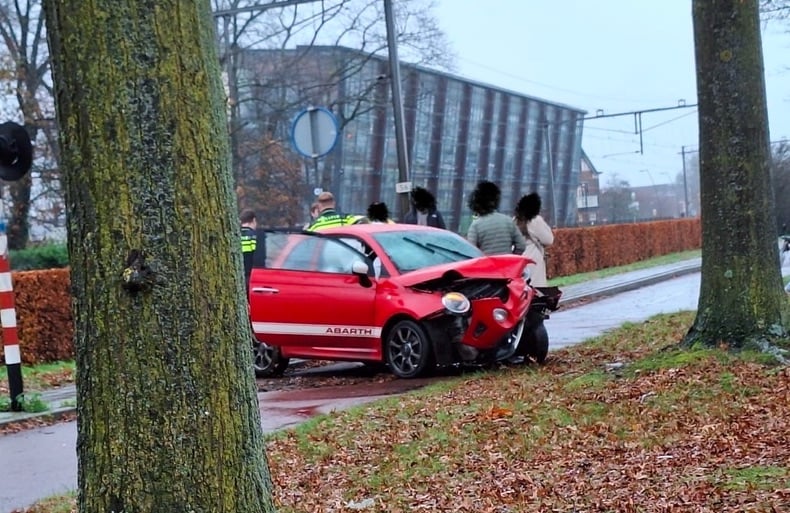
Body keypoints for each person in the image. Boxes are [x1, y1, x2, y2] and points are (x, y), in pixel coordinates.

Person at [466, 180, 526, 256]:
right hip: (507, 265)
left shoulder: (475, 226)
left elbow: (470, 252)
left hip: (486, 266)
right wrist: (512, 259)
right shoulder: (508, 221)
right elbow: (521, 245)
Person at [514, 192, 554, 287]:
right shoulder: (535, 220)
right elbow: (549, 240)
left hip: (517, 260)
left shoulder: (514, 221)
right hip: (533, 260)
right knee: (536, 291)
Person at [240, 209, 257, 289]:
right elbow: (256, 255)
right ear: (253, 220)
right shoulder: (253, 235)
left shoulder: (234, 234)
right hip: (249, 274)